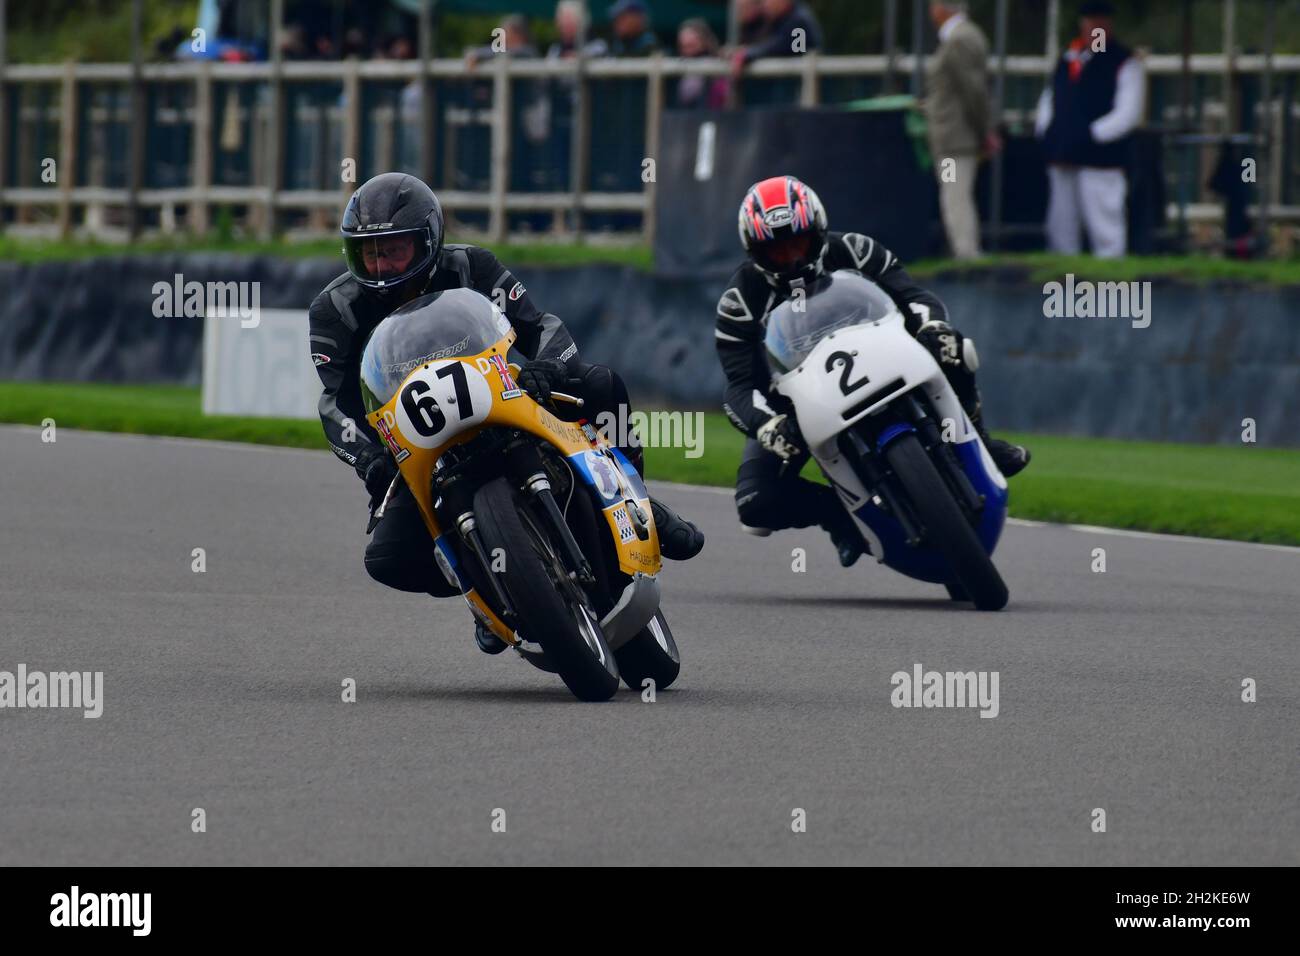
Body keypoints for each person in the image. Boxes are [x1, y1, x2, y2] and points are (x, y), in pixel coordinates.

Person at [309, 173, 704, 653]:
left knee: (600, 383)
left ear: (428, 239)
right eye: (369, 253)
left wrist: (546, 369)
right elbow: (335, 402)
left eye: (394, 249)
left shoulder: (472, 265)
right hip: (413, 440)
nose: (381, 265)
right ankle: (488, 592)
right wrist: (369, 458)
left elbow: (542, 326)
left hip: (505, 395)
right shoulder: (334, 309)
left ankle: (637, 498)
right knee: (387, 559)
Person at [714, 175, 1030, 566]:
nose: (792, 258)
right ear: (755, 252)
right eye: (777, 251)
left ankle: (980, 442)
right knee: (755, 503)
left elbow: (914, 297)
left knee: (954, 348)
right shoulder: (739, 301)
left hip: (881, 355)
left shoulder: (855, 250)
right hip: (797, 399)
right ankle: (840, 518)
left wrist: (933, 327)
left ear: (819, 232)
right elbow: (739, 387)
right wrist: (767, 426)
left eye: (798, 243)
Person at [1035, 0, 1145, 258]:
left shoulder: (1123, 61)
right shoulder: (1068, 58)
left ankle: (1111, 271)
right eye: (1089, 20)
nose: (1094, 26)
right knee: (1061, 220)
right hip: (1062, 152)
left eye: (1100, 20)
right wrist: (1048, 130)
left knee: (1104, 219)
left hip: (1100, 156)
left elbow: (1127, 114)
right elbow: (1050, 98)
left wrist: (1090, 135)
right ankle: (1063, 271)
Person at [925, 1, 998, 260]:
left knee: (955, 195)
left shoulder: (960, 39)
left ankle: (966, 253)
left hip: (955, 137)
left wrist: (984, 130)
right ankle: (964, 250)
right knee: (955, 194)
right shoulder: (960, 37)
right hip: (953, 136)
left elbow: (973, 89)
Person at [731, 0, 822, 76]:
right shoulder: (778, 19)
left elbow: (781, 45)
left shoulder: (799, 20)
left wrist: (747, 54)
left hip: (801, 89)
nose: (765, 4)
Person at [674, 19, 729, 110]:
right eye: (684, 46)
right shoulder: (680, 66)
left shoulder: (717, 66)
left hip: (711, 116)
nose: (687, 50)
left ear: (704, 41)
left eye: (692, 45)